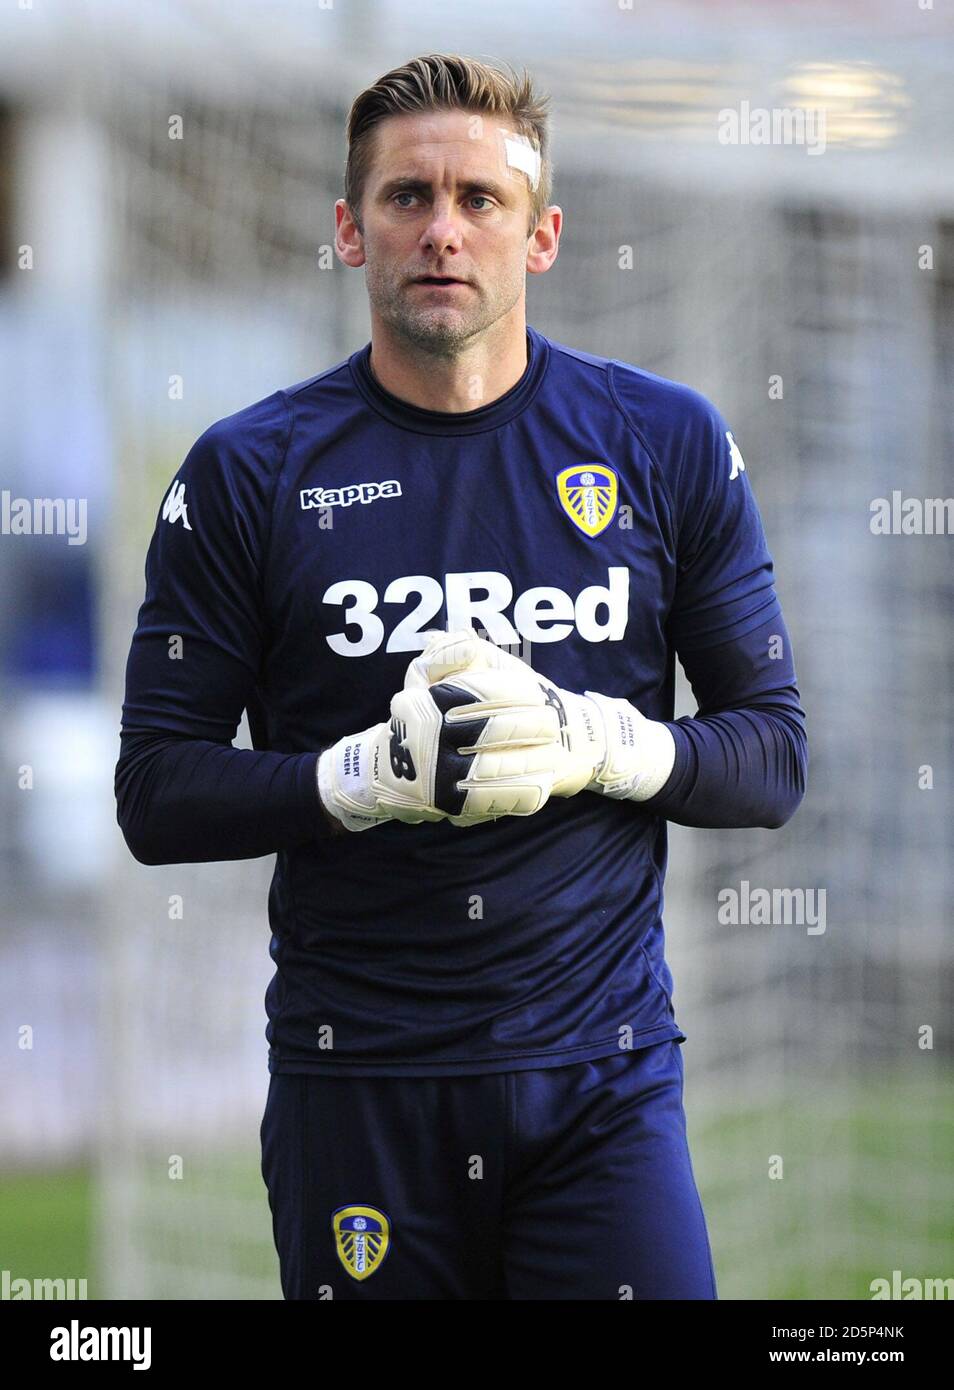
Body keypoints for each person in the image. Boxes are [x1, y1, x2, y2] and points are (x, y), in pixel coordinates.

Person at [115, 52, 807, 1300]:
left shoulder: (665, 442)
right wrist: (354, 778)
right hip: (357, 1080)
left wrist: (602, 741)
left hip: (602, 1076)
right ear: (348, 227)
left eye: (481, 200)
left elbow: (772, 753)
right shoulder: (247, 472)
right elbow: (156, 793)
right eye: (406, 197)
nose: (443, 230)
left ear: (541, 237)